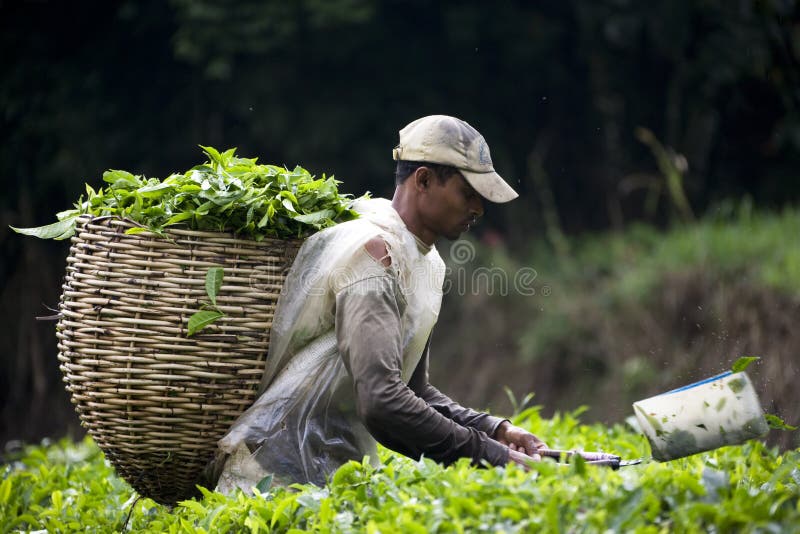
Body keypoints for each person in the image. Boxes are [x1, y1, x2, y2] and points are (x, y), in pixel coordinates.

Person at [213, 115, 546, 492]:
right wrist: (491, 456)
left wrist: (495, 431)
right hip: (272, 479)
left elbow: (412, 390)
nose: (478, 209)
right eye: (468, 193)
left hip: (335, 477)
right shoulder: (375, 254)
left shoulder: (425, 262)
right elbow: (382, 402)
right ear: (423, 180)